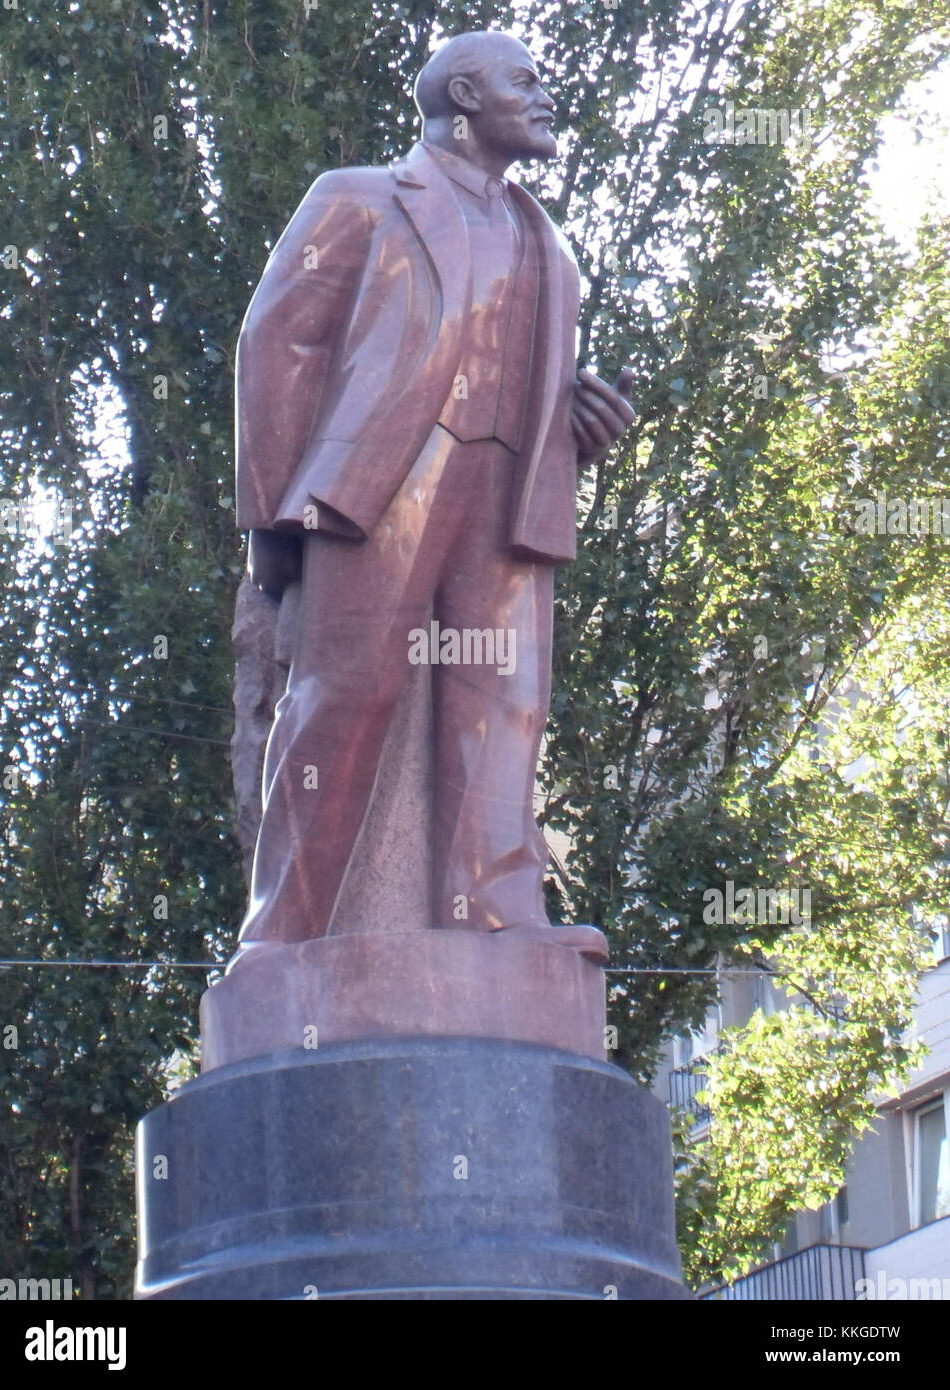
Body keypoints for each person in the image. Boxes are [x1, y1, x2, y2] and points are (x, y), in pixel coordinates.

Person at [233, 30, 635, 963]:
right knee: (341, 697)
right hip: (382, 482)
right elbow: (275, 344)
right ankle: (284, 936)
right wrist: (273, 524)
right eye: (522, 81)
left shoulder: (543, 236)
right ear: (463, 93)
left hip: (507, 488)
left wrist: (574, 416)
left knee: (504, 702)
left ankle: (495, 918)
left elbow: (522, 360)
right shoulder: (360, 197)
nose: (545, 97)